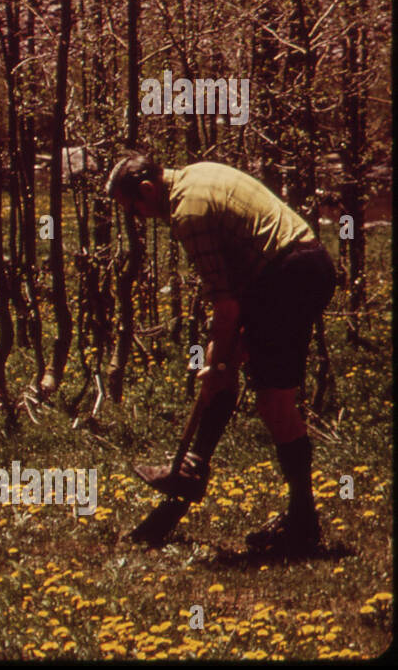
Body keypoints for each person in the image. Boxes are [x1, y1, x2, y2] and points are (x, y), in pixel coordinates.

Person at [107, 154, 337, 556]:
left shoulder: (188, 214)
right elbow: (235, 282)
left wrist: (215, 362)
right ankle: (192, 472)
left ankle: (302, 524)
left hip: (289, 274)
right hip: (292, 269)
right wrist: (220, 357)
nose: (138, 217)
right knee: (229, 366)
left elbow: (225, 305)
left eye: (134, 208)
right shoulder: (197, 173)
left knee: (273, 402)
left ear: (147, 189)